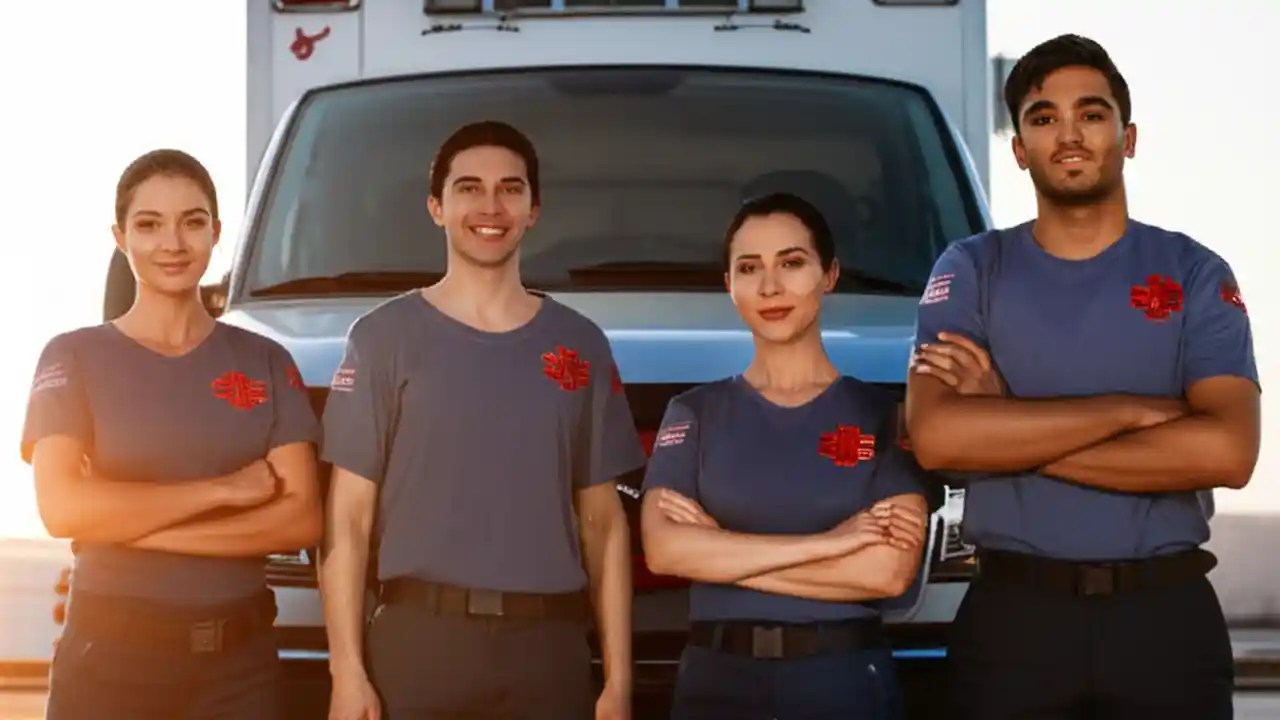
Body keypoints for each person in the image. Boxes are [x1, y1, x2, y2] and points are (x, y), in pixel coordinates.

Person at [907, 34, 1259, 720]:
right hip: (1015, 622)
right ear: (1019, 149)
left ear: (1127, 138)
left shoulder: (1194, 272)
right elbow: (940, 439)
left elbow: (1228, 452)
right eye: (1042, 118)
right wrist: (1132, 411)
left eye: (1091, 114)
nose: (1068, 134)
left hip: (1165, 621)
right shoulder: (971, 268)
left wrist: (1008, 421)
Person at [320, 120, 645, 720]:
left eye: (510, 189)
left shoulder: (581, 345)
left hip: (547, 650)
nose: (490, 206)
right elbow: (347, 521)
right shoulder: (381, 340)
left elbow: (604, 525)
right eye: (469, 188)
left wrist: (618, 683)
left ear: (533, 209)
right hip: (419, 646)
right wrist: (347, 672)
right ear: (436, 207)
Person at [23, 148, 323, 719]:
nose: (173, 243)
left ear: (216, 232)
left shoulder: (265, 360)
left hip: (239, 669)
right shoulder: (73, 356)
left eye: (192, 222)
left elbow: (300, 519)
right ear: (120, 236)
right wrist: (223, 491)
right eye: (149, 224)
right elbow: (62, 509)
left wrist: (122, 525)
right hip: (108, 663)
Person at [640, 192, 938, 720]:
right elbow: (666, 552)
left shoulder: (882, 415)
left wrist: (718, 556)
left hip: (841, 680)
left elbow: (888, 573)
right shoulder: (693, 414)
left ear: (830, 274)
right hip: (717, 681)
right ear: (728, 284)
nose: (770, 286)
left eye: (792, 263)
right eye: (749, 268)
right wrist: (829, 544)